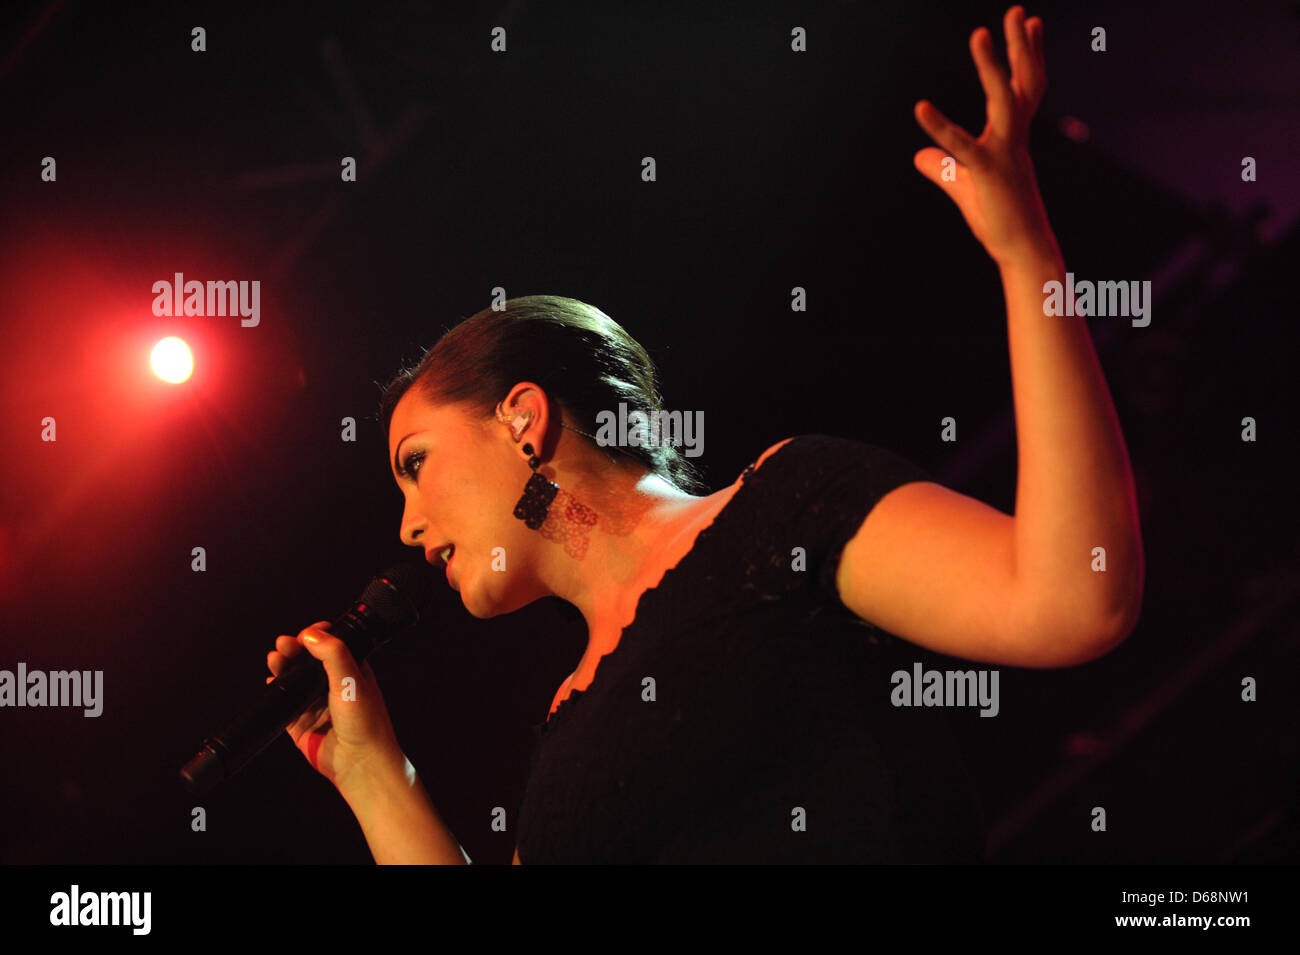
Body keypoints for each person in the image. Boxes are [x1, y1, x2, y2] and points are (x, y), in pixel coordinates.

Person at [265, 5, 1144, 863]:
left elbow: (1071, 598)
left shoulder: (783, 511)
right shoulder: (567, 731)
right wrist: (370, 769)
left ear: (522, 420)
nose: (407, 526)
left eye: (415, 465)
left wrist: (1029, 258)